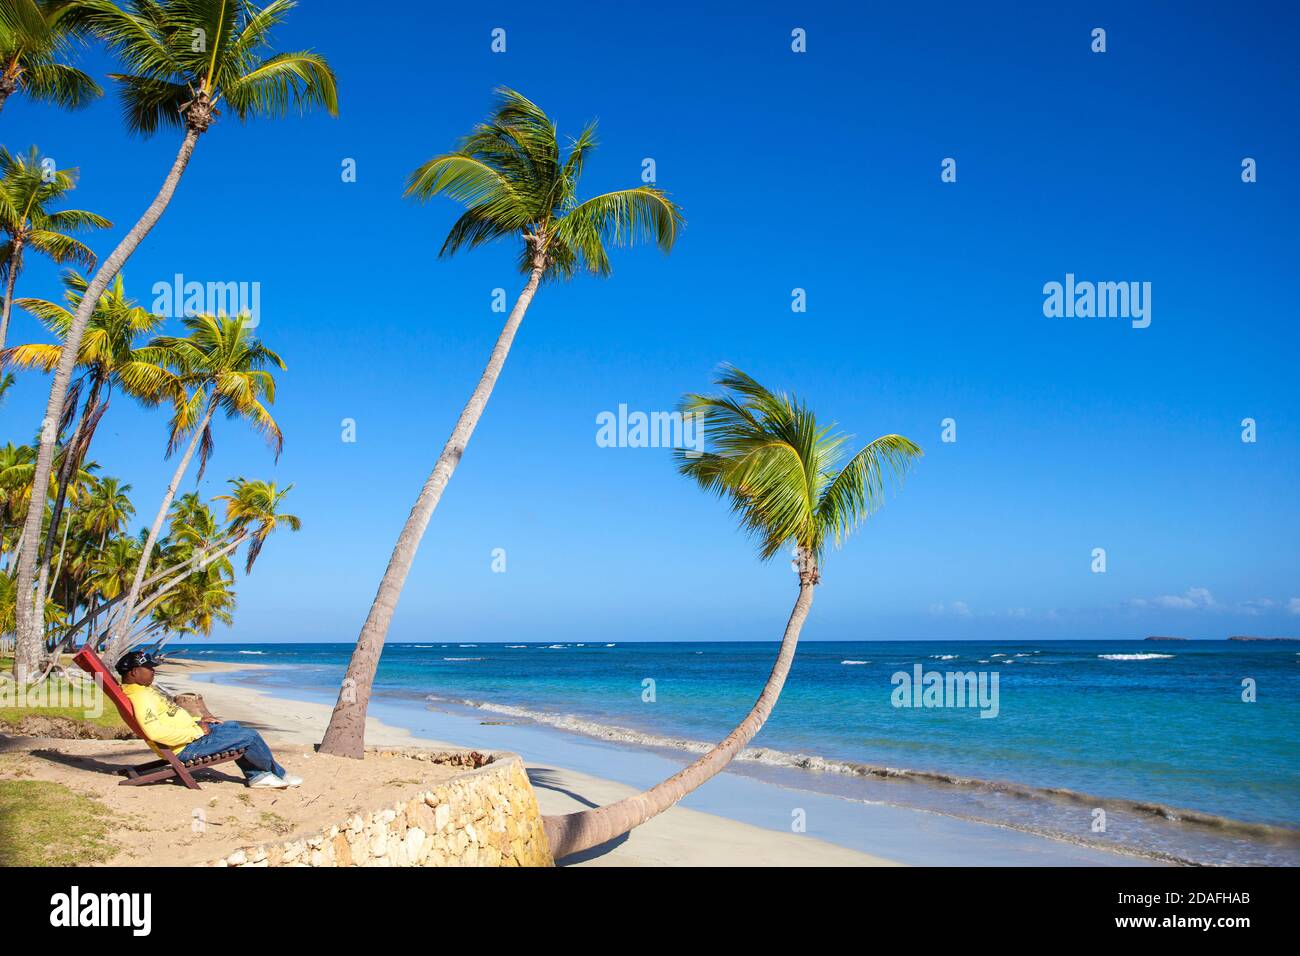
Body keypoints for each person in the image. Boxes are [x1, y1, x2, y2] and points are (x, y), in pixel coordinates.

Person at [116, 650, 302, 789]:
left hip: (191, 735)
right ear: (133, 672)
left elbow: (167, 717)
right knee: (250, 736)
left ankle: (257, 775)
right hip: (186, 747)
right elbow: (155, 732)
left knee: (232, 726)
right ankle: (276, 775)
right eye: (149, 668)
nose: (153, 671)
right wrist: (196, 731)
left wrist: (198, 720)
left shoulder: (141, 690)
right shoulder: (140, 698)